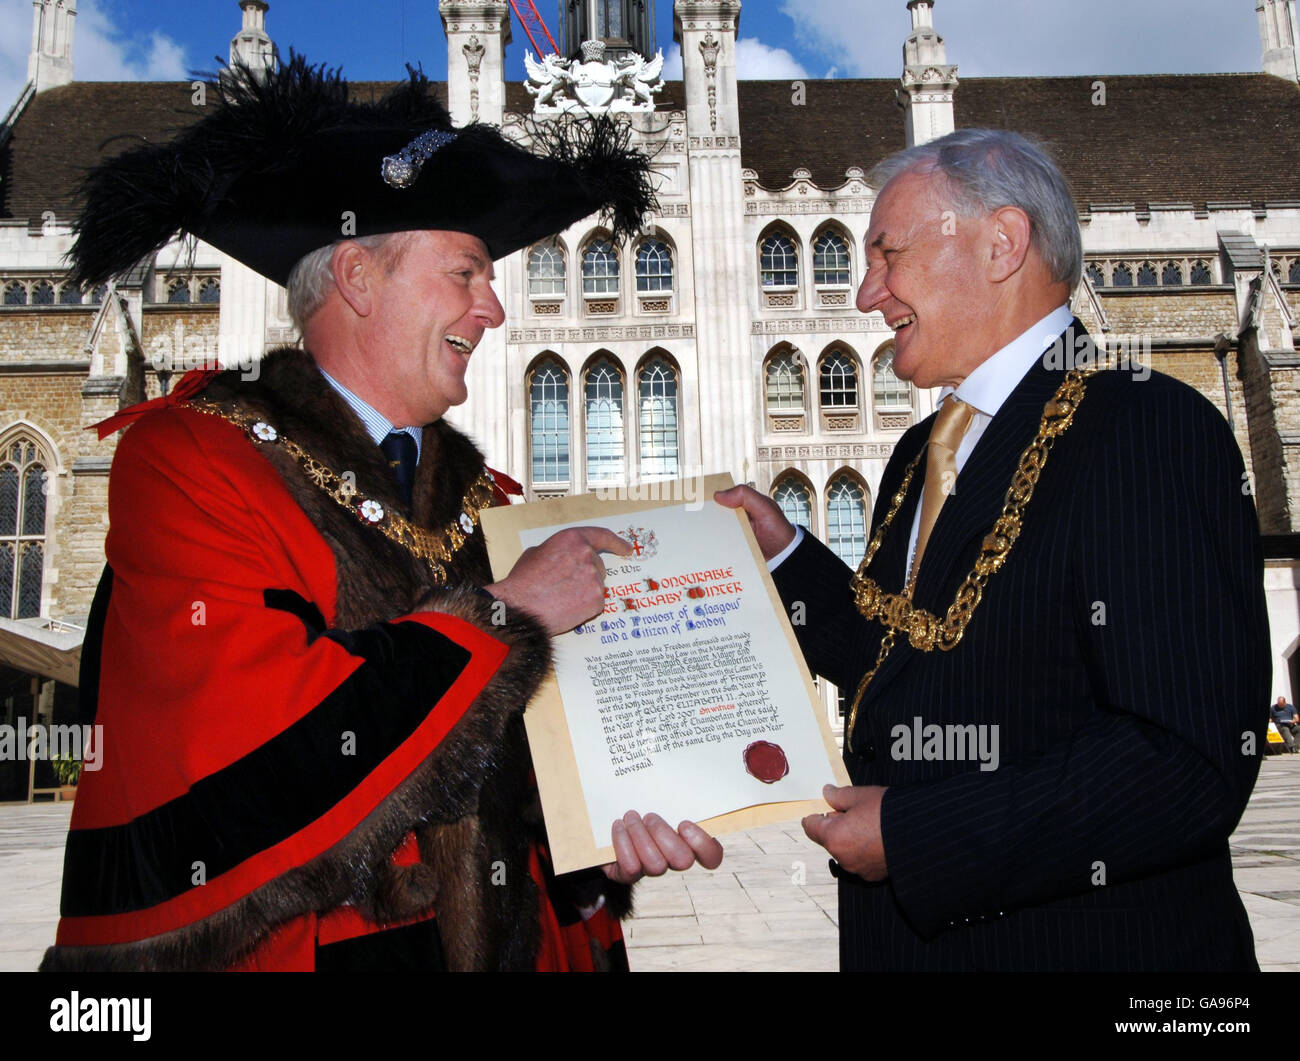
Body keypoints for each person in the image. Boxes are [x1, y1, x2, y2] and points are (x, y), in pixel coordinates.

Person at [40, 56, 721, 972]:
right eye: (467, 273)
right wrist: (505, 617)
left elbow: (520, 786)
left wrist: (596, 852)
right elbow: (258, 751)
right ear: (358, 278)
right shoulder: (197, 463)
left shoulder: (485, 505)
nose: (494, 307)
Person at [718, 128, 1269, 971]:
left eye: (888, 255)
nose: (868, 294)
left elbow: (1184, 763)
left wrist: (913, 835)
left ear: (1001, 243)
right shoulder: (921, 453)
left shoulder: (1144, 425)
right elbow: (906, 654)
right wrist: (786, 551)